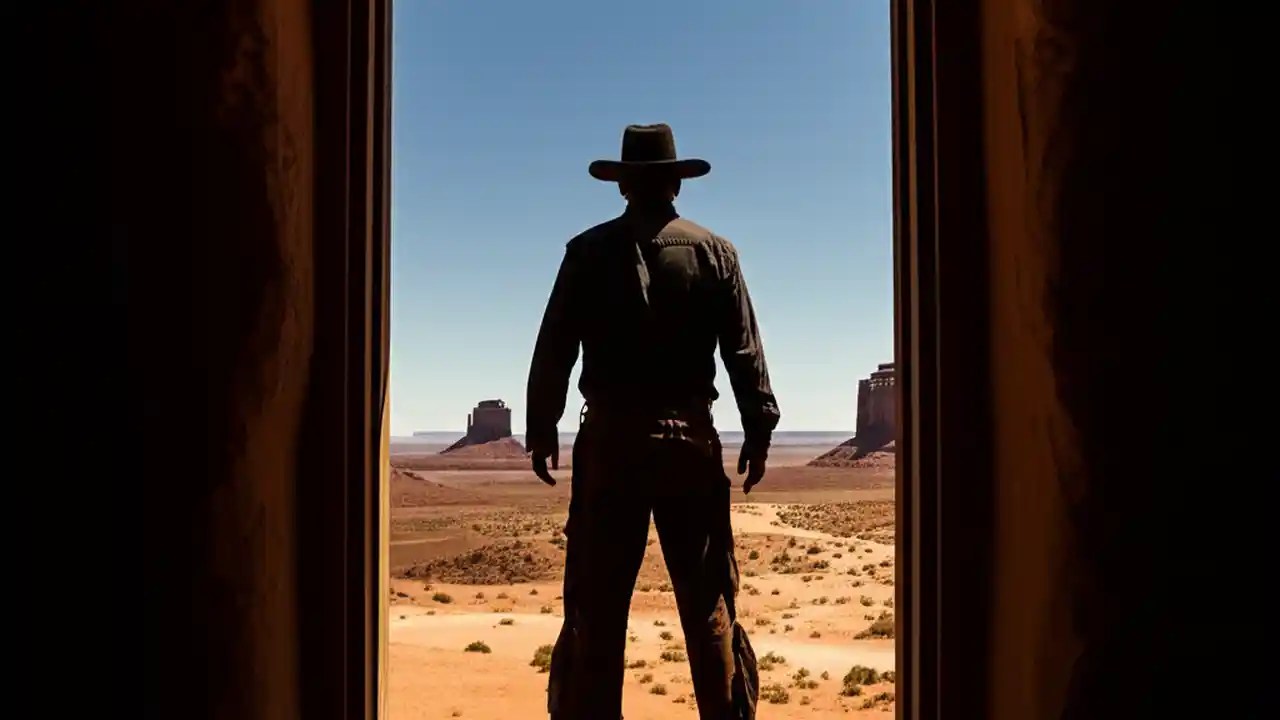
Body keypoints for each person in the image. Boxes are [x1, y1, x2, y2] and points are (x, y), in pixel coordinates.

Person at [526, 123, 781, 720]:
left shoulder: (586, 251)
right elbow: (744, 352)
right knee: (708, 607)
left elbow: (554, 349)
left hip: (610, 446)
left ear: (623, 188)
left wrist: (542, 427)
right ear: (675, 183)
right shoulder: (716, 252)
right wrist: (759, 426)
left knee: (597, 608)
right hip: (688, 446)